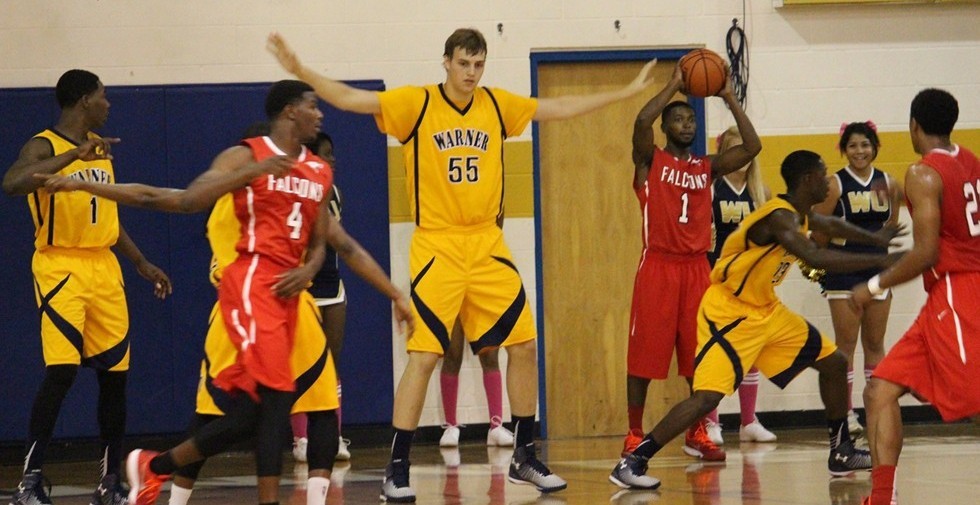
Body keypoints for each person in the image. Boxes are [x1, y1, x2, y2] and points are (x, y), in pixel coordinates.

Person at [267, 28, 658, 501]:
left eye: (479, 64)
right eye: (464, 63)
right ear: (446, 63)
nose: (471, 73)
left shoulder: (496, 106)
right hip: (438, 245)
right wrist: (300, 70)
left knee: (525, 344)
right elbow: (353, 100)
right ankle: (397, 467)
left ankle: (523, 455)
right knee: (426, 355)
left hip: (488, 243)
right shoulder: (418, 104)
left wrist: (625, 92)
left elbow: (556, 110)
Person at [40, 80, 413, 505]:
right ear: (290, 112)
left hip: (293, 302)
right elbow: (173, 199)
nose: (322, 114)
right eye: (313, 106)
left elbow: (335, 243)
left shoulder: (316, 172)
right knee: (258, 409)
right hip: (249, 293)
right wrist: (82, 185)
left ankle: (154, 466)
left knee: (267, 413)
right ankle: (170, 479)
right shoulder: (242, 165)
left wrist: (393, 294)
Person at [609, 149, 903, 491]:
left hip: (766, 309)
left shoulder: (798, 213)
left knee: (834, 363)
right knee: (706, 398)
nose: (828, 182)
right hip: (730, 312)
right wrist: (878, 260)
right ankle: (633, 461)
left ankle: (841, 451)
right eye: (823, 176)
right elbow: (814, 255)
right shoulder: (778, 218)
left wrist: (875, 238)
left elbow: (832, 224)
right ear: (808, 180)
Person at [3, 69, 171, 505]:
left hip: (104, 267)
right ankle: (30, 480)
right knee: (61, 372)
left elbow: (108, 216)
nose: (108, 104)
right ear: (82, 101)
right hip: (60, 266)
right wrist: (73, 156)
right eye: (103, 96)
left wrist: (140, 262)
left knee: (116, 378)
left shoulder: (101, 151)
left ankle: (109, 480)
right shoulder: (44, 145)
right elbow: (13, 183)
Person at [622, 61, 761, 463]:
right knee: (644, 356)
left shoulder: (707, 167)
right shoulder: (649, 161)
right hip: (658, 267)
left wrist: (730, 97)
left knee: (698, 356)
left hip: (697, 267)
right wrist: (673, 87)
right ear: (666, 128)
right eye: (678, 120)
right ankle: (633, 432)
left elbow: (752, 148)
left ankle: (697, 429)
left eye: (690, 119)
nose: (686, 124)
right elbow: (640, 121)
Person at [854, 89, 980, 505]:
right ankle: (881, 497)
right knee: (880, 391)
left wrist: (874, 285)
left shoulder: (922, 173)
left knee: (973, 398)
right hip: (946, 297)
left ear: (913, 125)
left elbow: (926, 253)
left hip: (961, 294)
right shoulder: (971, 161)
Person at [811, 121, 903, 436]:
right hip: (844, 274)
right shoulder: (835, 184)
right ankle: (847, 414)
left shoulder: (889, 183)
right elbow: (818, 231)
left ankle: (876, 407)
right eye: (853, 145)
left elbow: (890, 225)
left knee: (875, 344)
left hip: (878, 274)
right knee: (846, 346)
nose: (859, 151)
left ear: (875, 147)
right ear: (844, 149)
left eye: (865, 145)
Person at [703, 126, 776, 445]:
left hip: (752, 285)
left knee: (752, 351)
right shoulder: (711, 190)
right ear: (723, 153)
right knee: (716, 352)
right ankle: (711, 422)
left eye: (745, 148)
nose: (741, 156)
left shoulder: (763, 193)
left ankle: (748, 420)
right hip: (717, 282)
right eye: (734, 148)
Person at [291, 131, 354, 463]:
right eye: (325, 154)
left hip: (332, 286)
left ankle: (334, 436)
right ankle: (301, 438)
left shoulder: (335, 193)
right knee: (302, 365)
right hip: (303, 288)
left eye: (333, 154)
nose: (332, 160)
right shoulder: (296, 191)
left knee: (331, 365)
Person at [438, 318, 515, 448]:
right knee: (452, 355)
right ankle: (450, 425)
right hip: (453, 298)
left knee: (490, 354)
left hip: (481, 298)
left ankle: (496, 426)